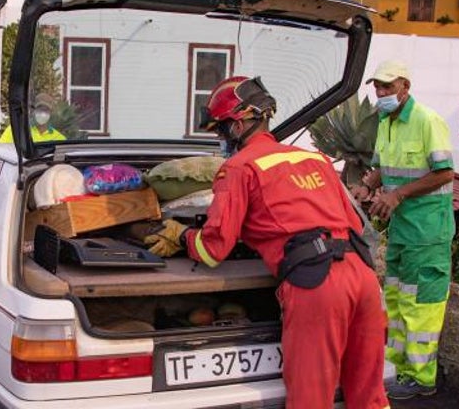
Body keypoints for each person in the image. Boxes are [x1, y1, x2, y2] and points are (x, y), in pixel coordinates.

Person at [146, 76, 390, 409]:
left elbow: (212, 249)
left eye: (221, 129)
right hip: (363, 278)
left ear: (237, 125)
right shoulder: (315, 160)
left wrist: (181, 234)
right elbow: (352, 224)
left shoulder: (239, 167)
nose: (222, 138)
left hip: (317, 286)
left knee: (310, 398)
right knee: (370, 397)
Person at [351, 59, 455, 400]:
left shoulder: (427, 120)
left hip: (427, 230)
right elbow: (382, 166)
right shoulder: (386, 121)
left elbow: (444, 173)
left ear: (404, 87)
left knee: (420, 305)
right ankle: (400, 370)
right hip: (402, 230)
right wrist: (368, 185)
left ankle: (421, 378)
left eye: (387, 87)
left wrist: (397, 195)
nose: (381, 93)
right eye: (377, 87)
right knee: (396, 298)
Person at [0, 93, 66, 143]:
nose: (42, 113)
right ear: (33, 110)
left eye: (45, 110)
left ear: (51, 113)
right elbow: (0, 152)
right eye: (39, 109)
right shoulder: (15, 131)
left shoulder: (59, 138)